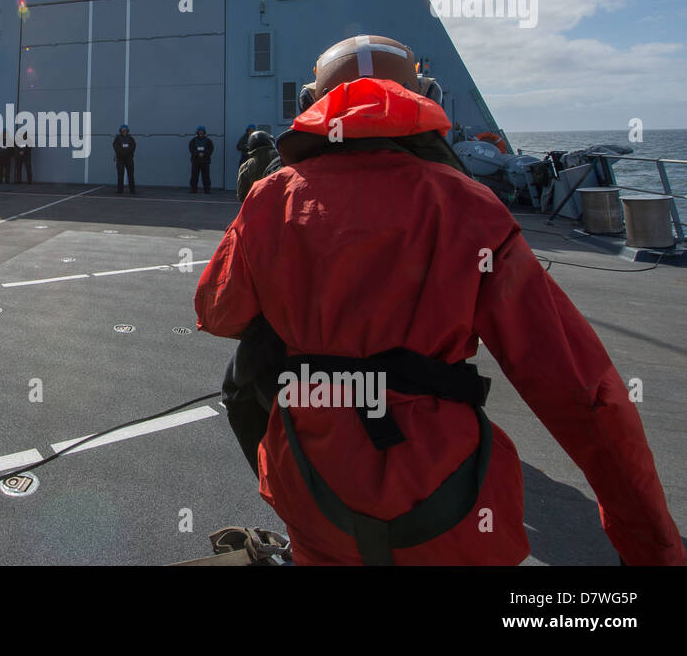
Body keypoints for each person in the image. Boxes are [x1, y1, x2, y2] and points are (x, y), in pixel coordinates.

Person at [194, 33, 684, 566]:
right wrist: (654, 548)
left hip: (314, 489)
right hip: (448, 502)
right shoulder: (470, 205)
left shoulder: (272, 198)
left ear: (314, 105)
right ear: (424, 96)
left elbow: (217, 313)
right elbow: (585, 394)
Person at [235, 130, 276, 201]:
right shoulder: (279, 157)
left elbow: (241, 195)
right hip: (276, 203)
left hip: (255, 204)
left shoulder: (246, 166)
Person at [188, 126, 214, 193]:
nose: (201, 133)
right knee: (194, 176)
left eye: (202, 131)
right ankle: (193, 189)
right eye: (199, 131)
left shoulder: (208, 141)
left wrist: (204, 154)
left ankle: (207, 190)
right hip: (195, 161)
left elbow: (211, 149)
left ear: (204, 132)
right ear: (197, 132)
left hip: (205, 161)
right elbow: (191, 149)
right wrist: (197, 154)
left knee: (206, 177)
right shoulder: (193, 141)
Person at [112, 125, 136, 194]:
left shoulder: (131, 138)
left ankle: (132, 190)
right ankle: (120, 190)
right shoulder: (117, 138)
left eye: (126, 130)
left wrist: (127, 152)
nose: (124, 131)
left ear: (128, 131)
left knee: (130, 174)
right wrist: (122, 152)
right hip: (120, 159)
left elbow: (133, 146)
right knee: (120, 174)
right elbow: (115, 146)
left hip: (129, 159)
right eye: (123, 130)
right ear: (121, 131)